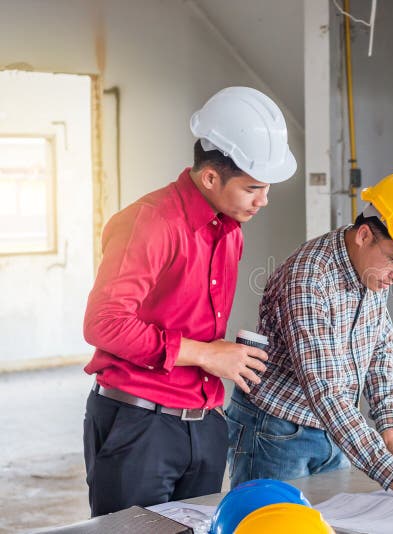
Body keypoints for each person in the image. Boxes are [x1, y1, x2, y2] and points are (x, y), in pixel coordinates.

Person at [81, 87, 296, 516]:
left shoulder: (229, 229)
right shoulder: (150, 222)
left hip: (205, 423)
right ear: (212, 177)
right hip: (140, 425)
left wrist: (220, 356)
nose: (264, 200)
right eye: (253, 188)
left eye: (267, 187)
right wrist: (205, 354)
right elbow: (103, 323)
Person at [226, 172, 393, 500]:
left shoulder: (373, 271)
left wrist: (389, 429)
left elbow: (378, 349)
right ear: (363, 235)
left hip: (335, 430)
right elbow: (326, 392)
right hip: (276, 433)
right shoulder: (308, 279)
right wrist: (392, 474)